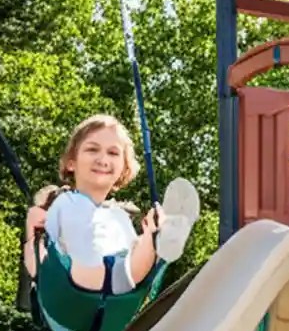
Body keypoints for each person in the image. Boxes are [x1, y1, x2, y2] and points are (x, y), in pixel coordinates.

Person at [23, 114, 199, 295]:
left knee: (137, 248)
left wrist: (147, 235)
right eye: (92, 150)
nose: (103, 159)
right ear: (71, 163)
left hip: (120, 291)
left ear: (124, 169)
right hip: (71, 293)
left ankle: (158, 235)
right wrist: (32, 236)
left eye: (113, 153)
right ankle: (154, 241)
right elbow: (36, 261)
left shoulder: (118, 217)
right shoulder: (63, 204)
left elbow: (131, 258)